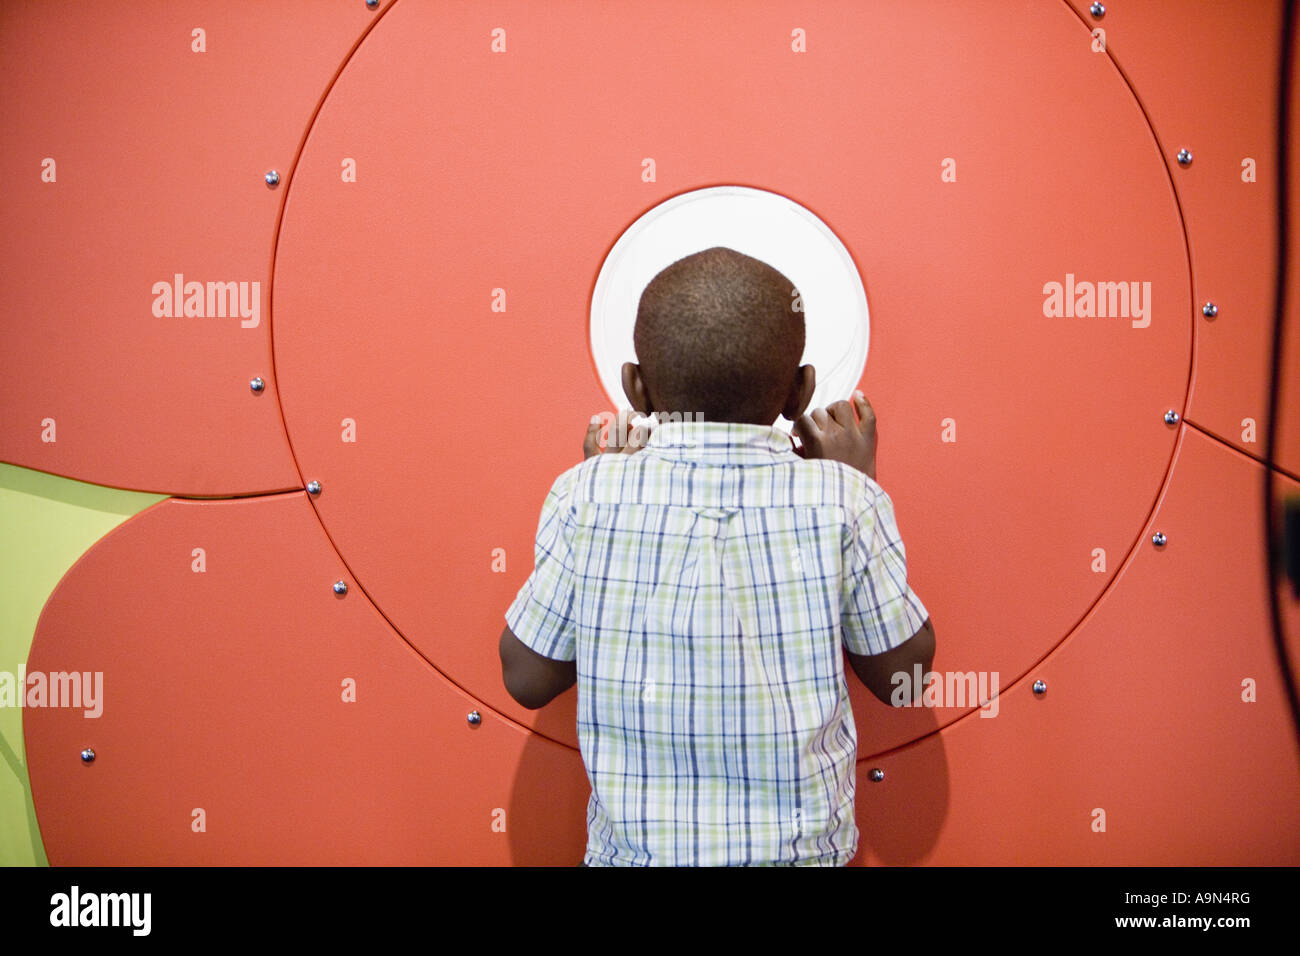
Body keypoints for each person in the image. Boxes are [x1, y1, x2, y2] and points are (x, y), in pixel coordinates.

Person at [498, 246, 935, 866]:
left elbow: (527, 677)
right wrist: (859, 485)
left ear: (635, 387)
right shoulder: (843, 500)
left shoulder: (586, 495)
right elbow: (904, 679)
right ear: (801, 391)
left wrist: (600, 491)